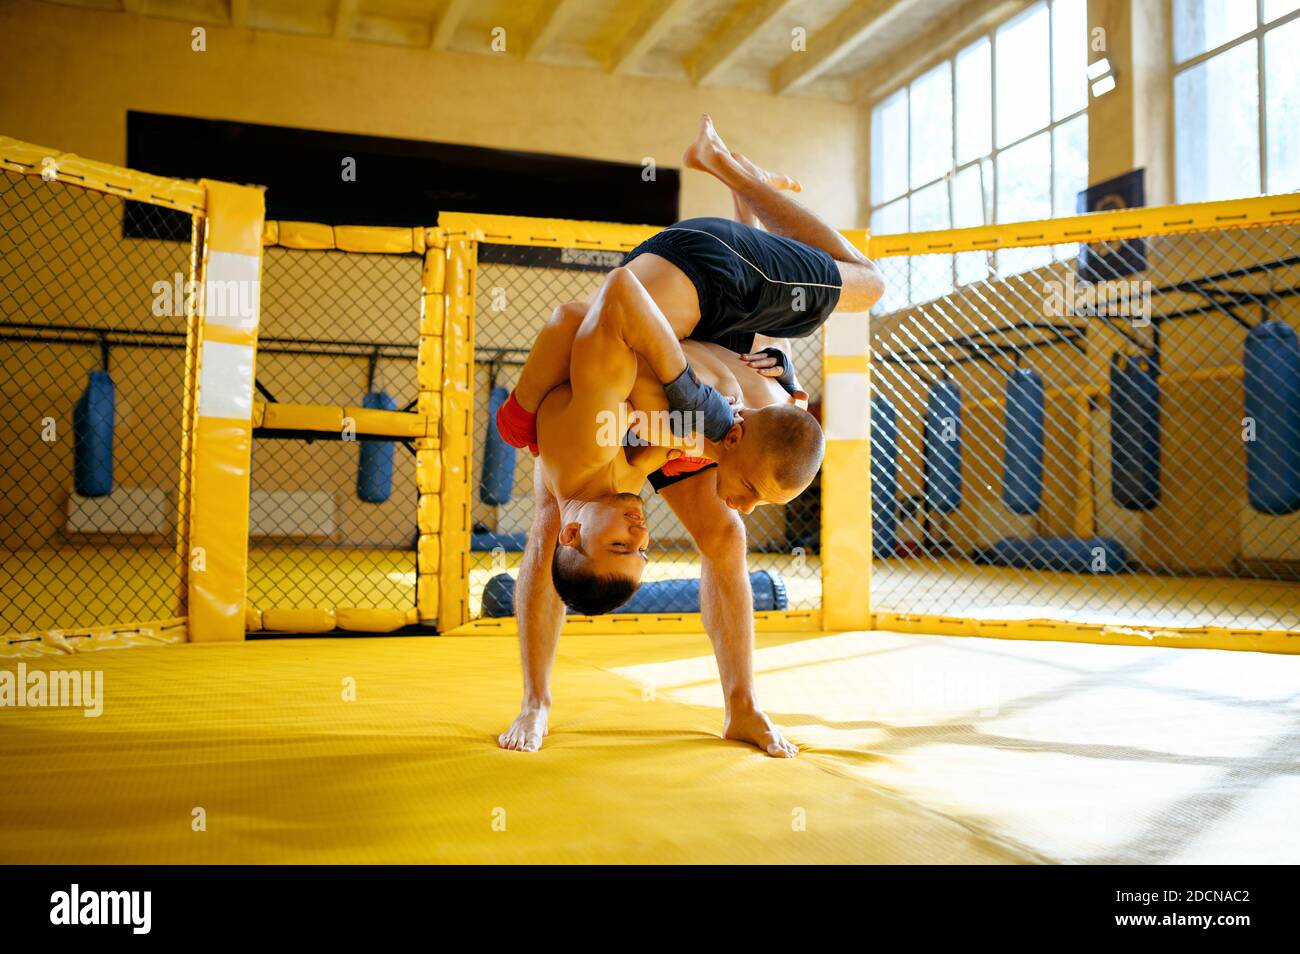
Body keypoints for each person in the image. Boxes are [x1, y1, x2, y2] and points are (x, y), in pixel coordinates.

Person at [498, 115, 885, 757]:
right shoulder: (690, 424)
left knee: (866, 286)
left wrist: (526, 407)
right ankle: (535, 698)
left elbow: (724, 347)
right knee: (551, 520)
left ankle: (743, 706)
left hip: (693, 305)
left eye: (626, 542)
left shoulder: (693, 418)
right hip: (688, 333)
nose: (641, 535)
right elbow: (736, 359)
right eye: (639, 548)